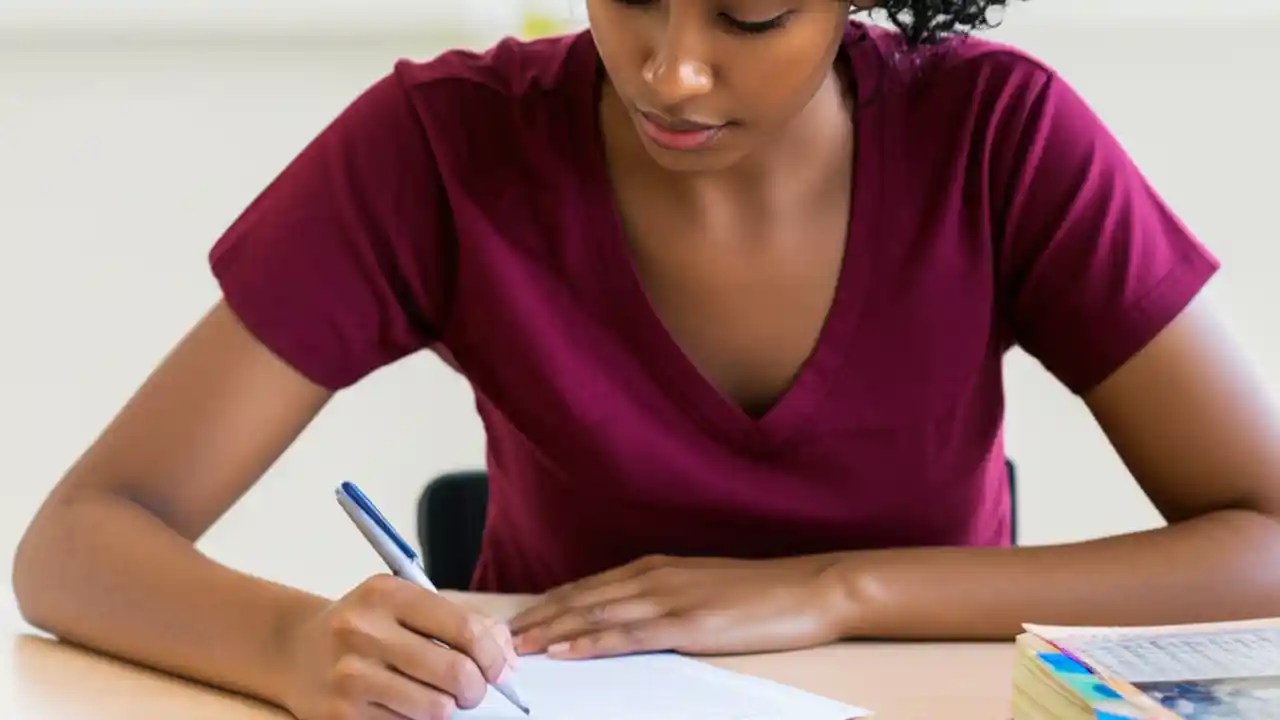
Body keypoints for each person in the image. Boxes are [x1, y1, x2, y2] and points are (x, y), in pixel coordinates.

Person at [13, 0, 1280, 718]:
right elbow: (74, 543)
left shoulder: (997, 138)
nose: (671, 70)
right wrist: (296, 649)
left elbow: (1266, 530)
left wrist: (840, 590)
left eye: (748, 12)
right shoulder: (440, 148)